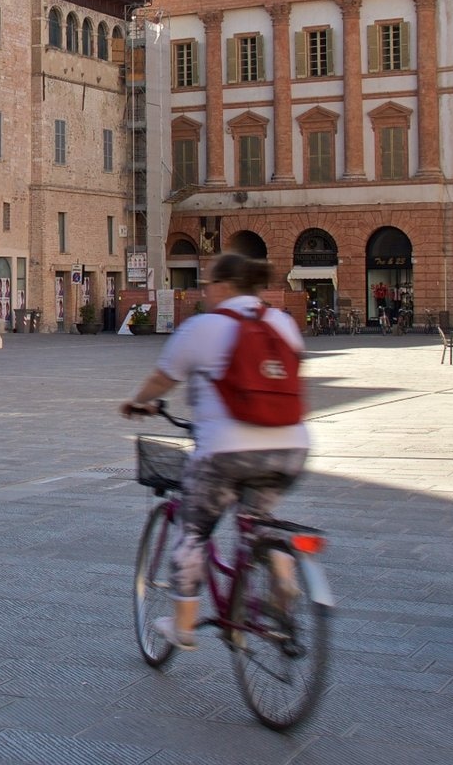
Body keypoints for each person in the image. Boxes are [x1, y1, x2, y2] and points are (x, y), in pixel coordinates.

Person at [117, 253, 310, 653]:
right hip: (290, 447)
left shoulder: (204, 327)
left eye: (208, 286)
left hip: (226, 453)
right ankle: (283, 574)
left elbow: (162, 378)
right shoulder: (282, 323)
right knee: (259, 518)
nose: (205, 293)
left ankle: (183, 625)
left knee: (193, 532)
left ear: (223, 287)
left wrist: (138, 402)